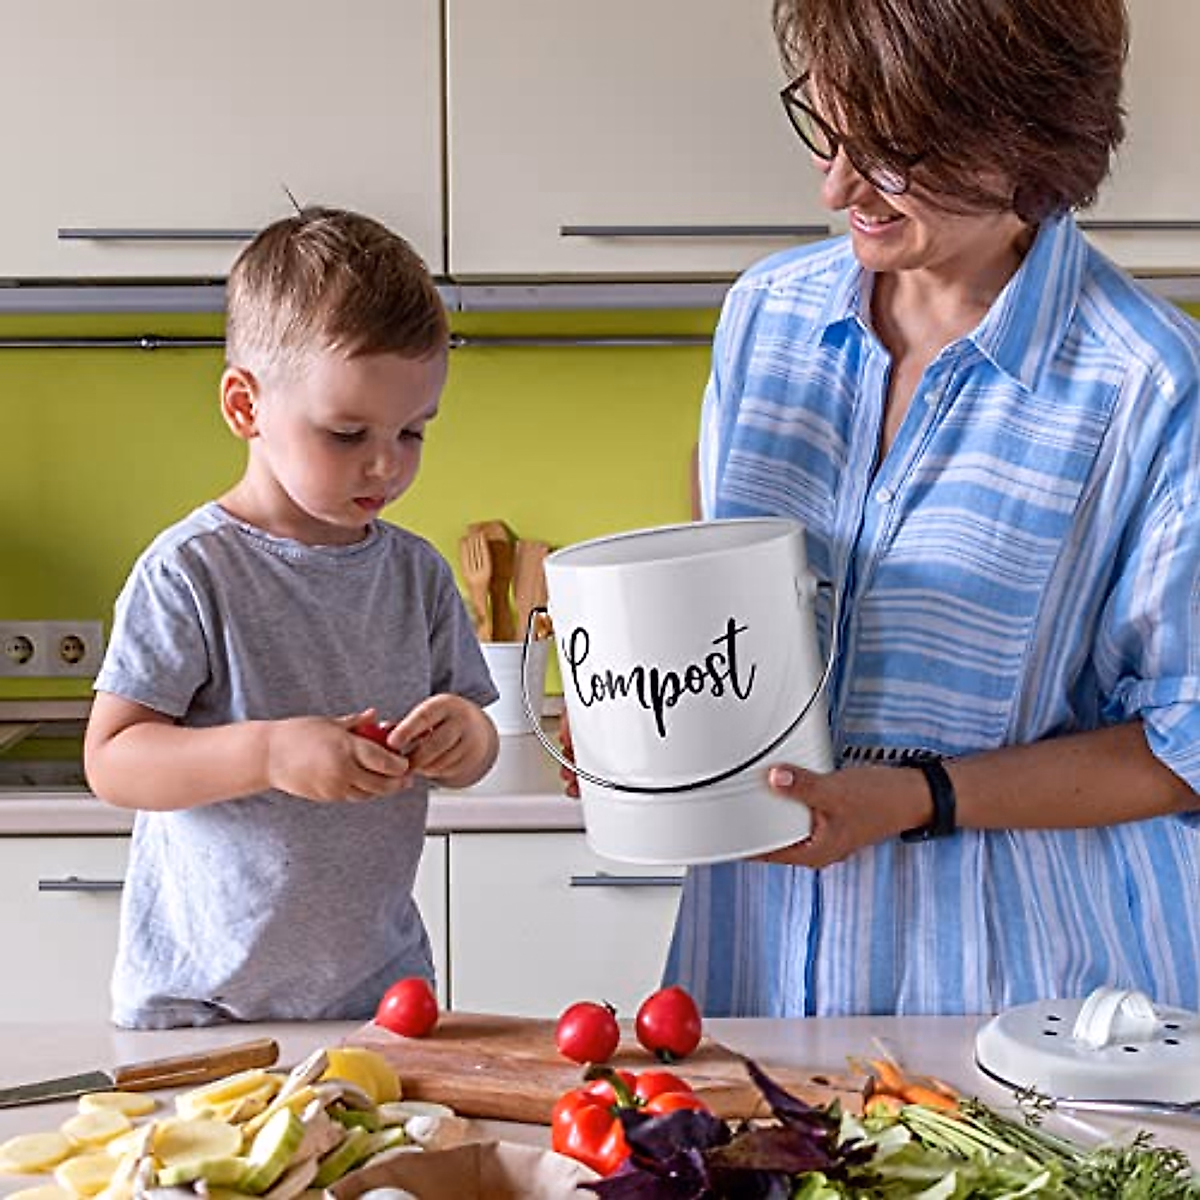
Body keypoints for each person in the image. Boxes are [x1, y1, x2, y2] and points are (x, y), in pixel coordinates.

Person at [652, 0, 1200, 1017]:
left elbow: (1184, 745)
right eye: (831, 128)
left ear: (1026, 143)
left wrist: (915, 798)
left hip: (1022, 1003)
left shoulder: (1151, 386)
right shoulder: (765, 319)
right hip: (754, 977)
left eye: (895, 155)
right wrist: (652, 744)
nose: (838, 186)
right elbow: (734, 607)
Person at [84, 207, 499, 1029]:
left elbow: (477, 739)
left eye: (413, 432)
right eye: (347, 433)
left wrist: (466, 739)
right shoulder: (190, 570)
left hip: (378, 999)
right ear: (245, 405)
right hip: (201, 1006)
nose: (387, 463)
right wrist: (270, 751)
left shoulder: (414, 574)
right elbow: (114, 761)